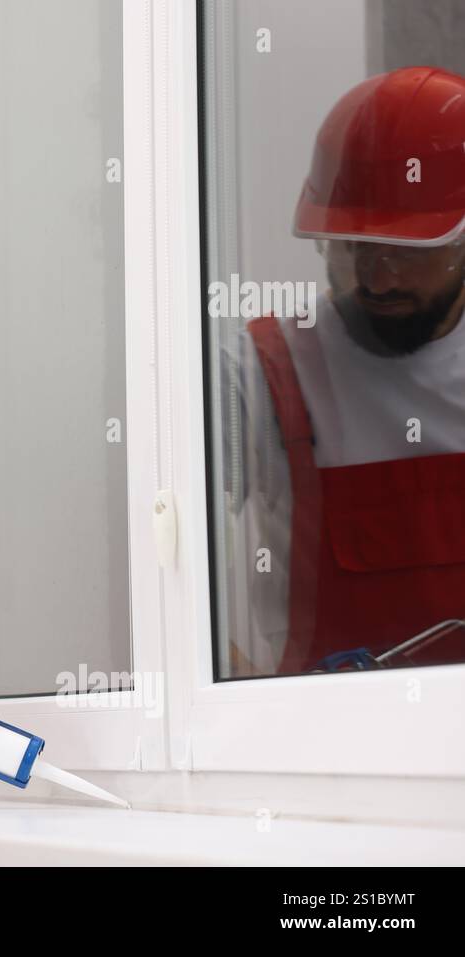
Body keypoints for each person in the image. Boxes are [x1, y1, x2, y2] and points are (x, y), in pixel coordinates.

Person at [226, 66, 465, 676]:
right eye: (354, 246)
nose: (378, 278)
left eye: (407, 251)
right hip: (322, 754)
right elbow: (155, 540)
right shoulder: (262, 374)